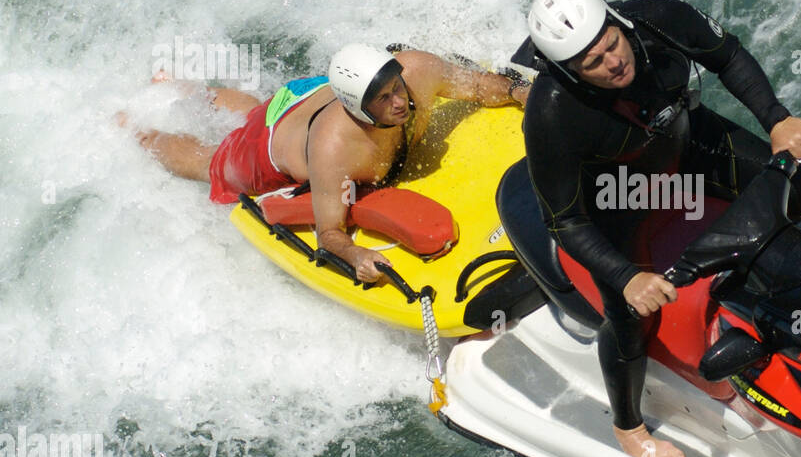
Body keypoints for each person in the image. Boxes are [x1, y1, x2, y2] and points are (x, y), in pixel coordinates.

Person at [517, 0, 801, 457]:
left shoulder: (659, 19)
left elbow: (729, 56)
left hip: (688, 144)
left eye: (611, 43)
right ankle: (628, 428)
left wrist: (776, 119)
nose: (612, 63)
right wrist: (627, 277)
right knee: (631, 318)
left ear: (616, 21)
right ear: (568, 70)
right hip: (619, 197)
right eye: (592, 63)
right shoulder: (551, 113)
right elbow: (563, 219)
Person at [123, 45, 531, 282]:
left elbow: (479, 86)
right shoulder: (334, 150)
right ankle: (139, 131)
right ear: (356, 109)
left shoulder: (417, 70)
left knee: (259, 108)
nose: (400, 103)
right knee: (214, 159)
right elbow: (329, 231)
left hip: (304, 97)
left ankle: (185, 86)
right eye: (384, 100)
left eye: (397, 88)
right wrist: (356, 257)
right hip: (266, 151)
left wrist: (518, 91)